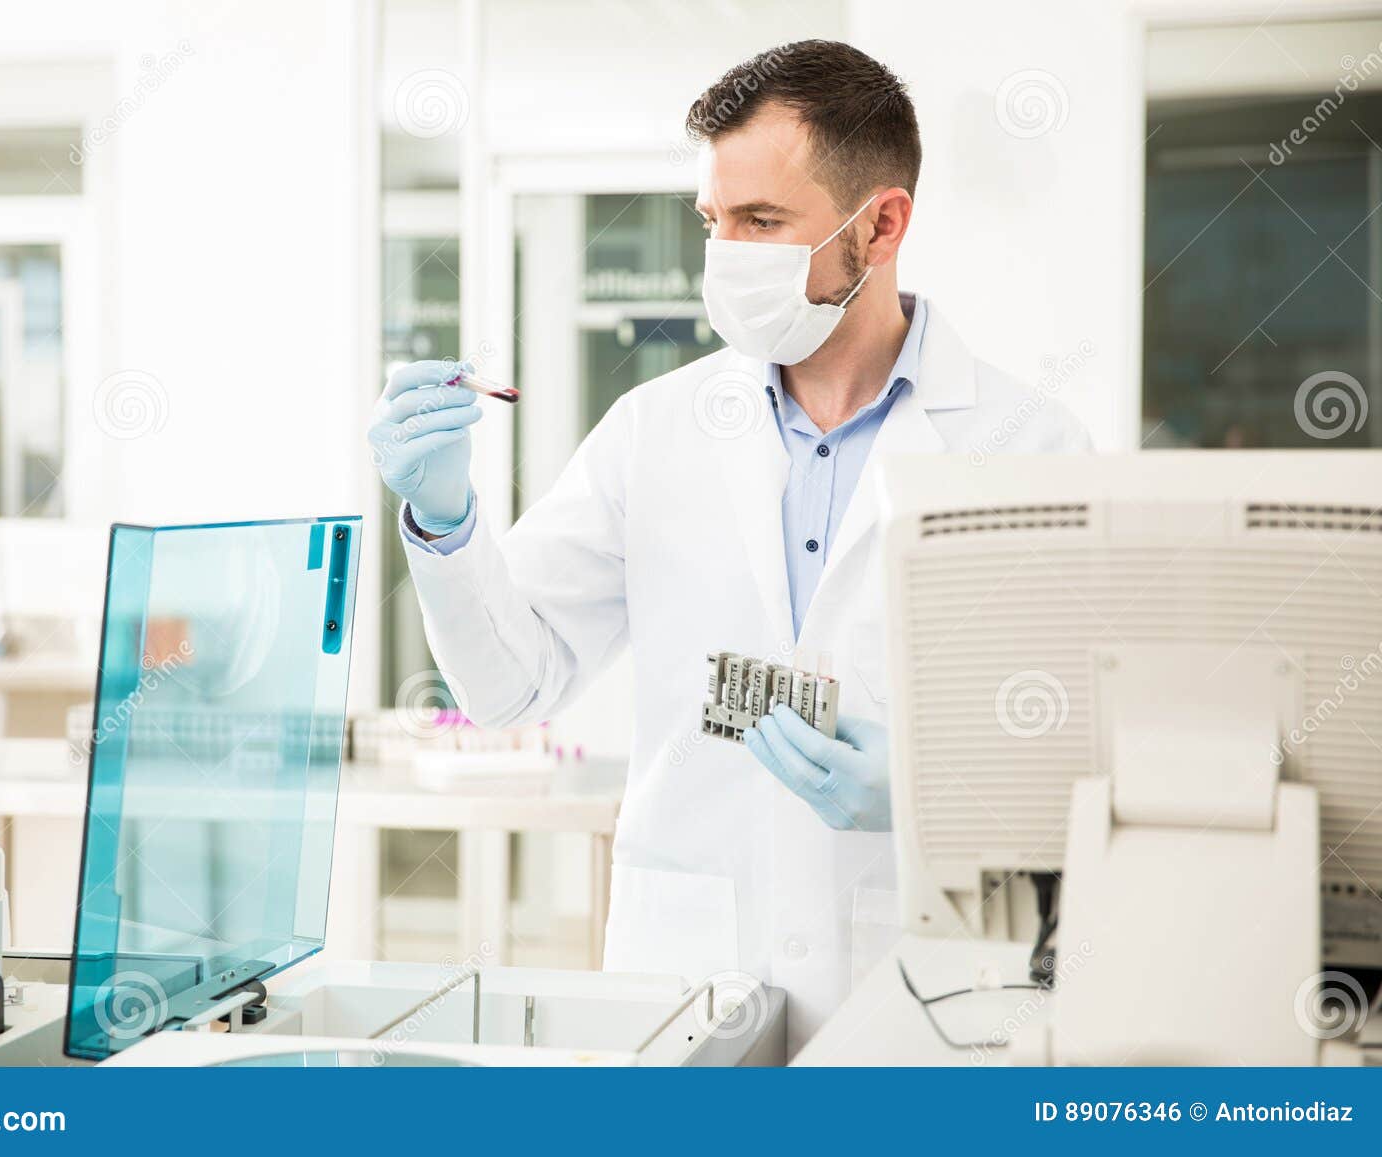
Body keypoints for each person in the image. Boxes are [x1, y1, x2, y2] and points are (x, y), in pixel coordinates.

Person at [368, 39, 1089, 1054]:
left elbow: (1081, 751)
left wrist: (929, 792)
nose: (724, 257)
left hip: (926, 986)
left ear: (880, 224)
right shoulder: (652, 428)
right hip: (688, 976)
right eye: (713, 221)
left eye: (761, 221)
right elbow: (508, 685)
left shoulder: (1028, 444)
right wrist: (444, 522)